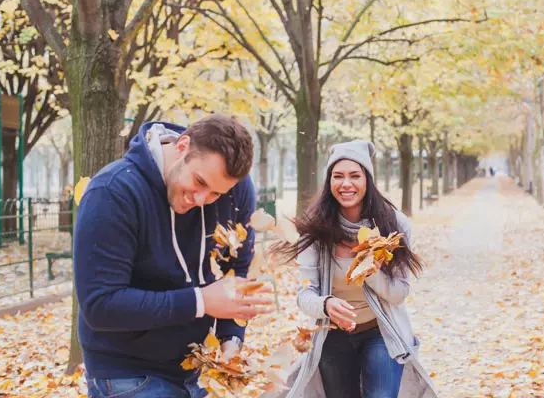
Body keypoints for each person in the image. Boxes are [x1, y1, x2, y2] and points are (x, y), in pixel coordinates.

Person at [74, 115, 273, 398]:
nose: (202, 199)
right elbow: (100, 305)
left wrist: (231, 341)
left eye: (216, 193)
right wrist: (202, 301)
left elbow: (237, 269)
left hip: (198, 366)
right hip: (127, 373)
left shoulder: (235, 190)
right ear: (182, 146)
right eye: (199, 181)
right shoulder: (112, 192)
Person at [268, 140, 438, 398]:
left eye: (354, 176)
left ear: (367, 180)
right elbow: (305, 295)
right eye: (338, 176)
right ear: (329, 182)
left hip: (381, 332)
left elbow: (399, 293)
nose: (346, 184)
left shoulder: (394, 224)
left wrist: (370, 273)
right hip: (332, 336)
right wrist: (326, 305)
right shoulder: (315, 230)